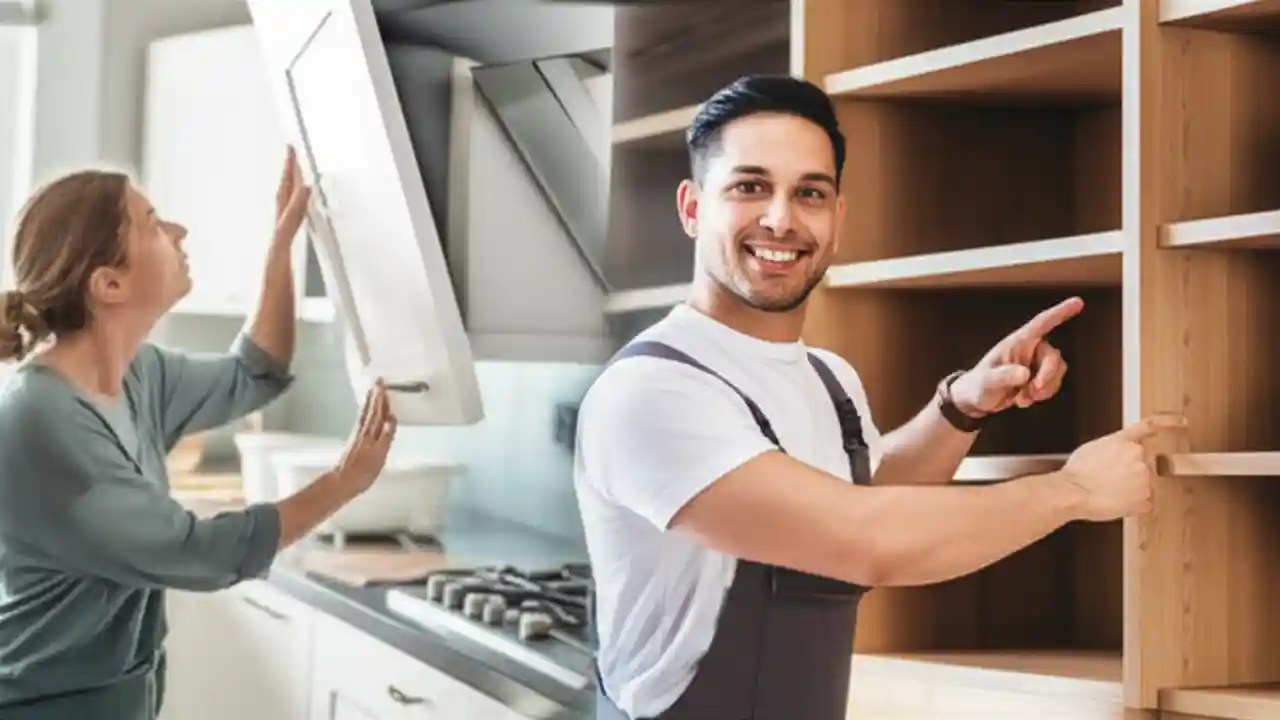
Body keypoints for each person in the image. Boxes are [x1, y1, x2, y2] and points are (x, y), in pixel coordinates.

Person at [575, 75, 1180, 720]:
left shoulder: (828, 377)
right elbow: (861, 538)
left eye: (809, 193)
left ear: (837, 220)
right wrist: (1076, 491)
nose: (780, 219)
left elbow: (864, 494)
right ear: (693, 208)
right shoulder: (652, 393)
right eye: (750, 187)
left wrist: (961, 408)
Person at [0, 148, 398, 719]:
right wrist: (343, 482)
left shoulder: (139, 375)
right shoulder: (42, 418)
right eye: (151, 223)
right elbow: (199, 554)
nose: (178, 231)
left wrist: (281, 244)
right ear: (109, 283)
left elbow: (254, 373)